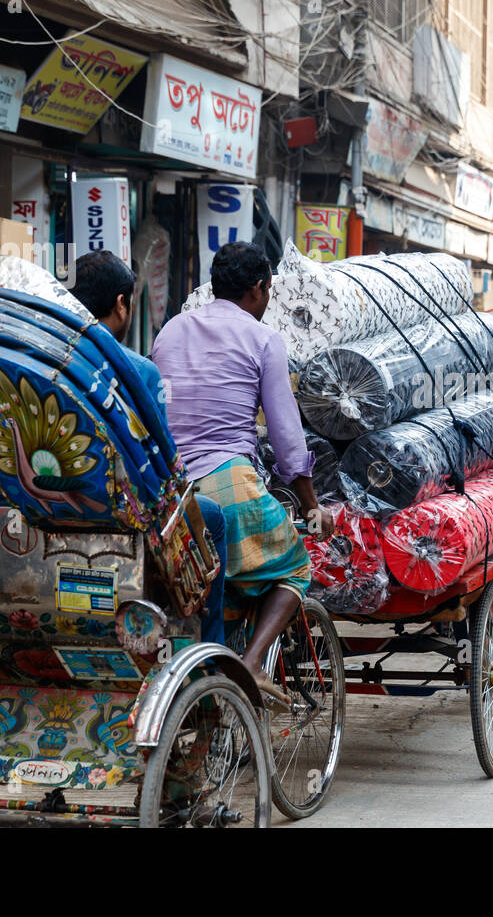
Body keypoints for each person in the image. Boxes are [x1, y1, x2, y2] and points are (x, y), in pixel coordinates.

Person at [153, 241, 334, 711]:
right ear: (259, 288)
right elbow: (288, 437)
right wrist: (312, 504)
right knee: (293, 567)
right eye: (269, 289)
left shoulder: (170, 331)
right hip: (226, 482)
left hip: (169, 491)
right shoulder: (262, 339)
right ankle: (252, 662)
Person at [70, 250, 229, 646]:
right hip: (122, 512)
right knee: (212, 515)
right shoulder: (137, 370)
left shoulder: (48, 358)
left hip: (52, 501)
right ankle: (211, 647)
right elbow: (164, 463)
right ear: (121, 304)